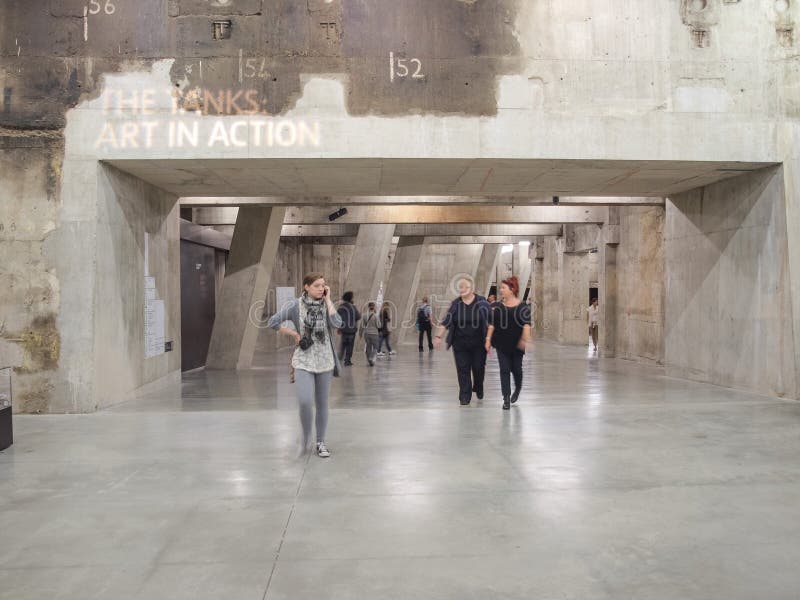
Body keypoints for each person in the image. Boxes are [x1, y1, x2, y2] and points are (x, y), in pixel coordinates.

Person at [267, 272, 342, 458]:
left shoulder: (326, 304)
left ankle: (320, 442)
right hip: (303, 360)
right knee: (305, 401)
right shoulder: (295, 305)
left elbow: (337, 323)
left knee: (322, 403)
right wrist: (293, 334)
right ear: (306, 287)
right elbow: (273, 322)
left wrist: (329, 300)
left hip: (325, 360)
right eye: (317, 285)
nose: (321, 288)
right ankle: (306, 437)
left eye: (323, 285)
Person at [433, 277, 492, 406]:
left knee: (478, 368)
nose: (462, 289)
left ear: (472, 289)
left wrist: (489, 339)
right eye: (460, 287)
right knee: (463, 369)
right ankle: (465, 395)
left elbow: (492, 322)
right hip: (460, 344)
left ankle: (479, 386)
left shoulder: (482, 302)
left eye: (465, 287)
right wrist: (438, 337)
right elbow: (446, 322)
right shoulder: (456, 304)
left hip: (479, 344)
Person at [485, 276, 531, 410]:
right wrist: (488, 340)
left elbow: (527, 325)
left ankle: (518, 388)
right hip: (501, 344)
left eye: (503, 288)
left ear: (512, 289)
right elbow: (492, 325)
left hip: (517, 345)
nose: (501, 290)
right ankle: (506, 398)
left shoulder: (522, 306)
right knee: (504, 370)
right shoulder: (498, 307)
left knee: (516, 369)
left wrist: (524, 340)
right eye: (501, 288)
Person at [336, 291, 360, 366]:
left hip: (344, 329)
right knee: (350, 345)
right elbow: (358, 316)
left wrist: (339, 327)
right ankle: (347, 360)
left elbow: (338, 318)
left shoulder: (341, 307)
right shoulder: (353, 307)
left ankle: (339, 359)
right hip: (352, 330)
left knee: (343, 345)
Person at [360, 302, 381, 366]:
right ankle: (371, 358)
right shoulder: (376, 316)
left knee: (368, 347)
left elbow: (361, 326)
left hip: (366, 334)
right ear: (374, 307)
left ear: (368, 307)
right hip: (374, 334)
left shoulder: (364, 315)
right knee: (375, 347)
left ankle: (369, 360)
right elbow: (379, 325)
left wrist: (360, 334)